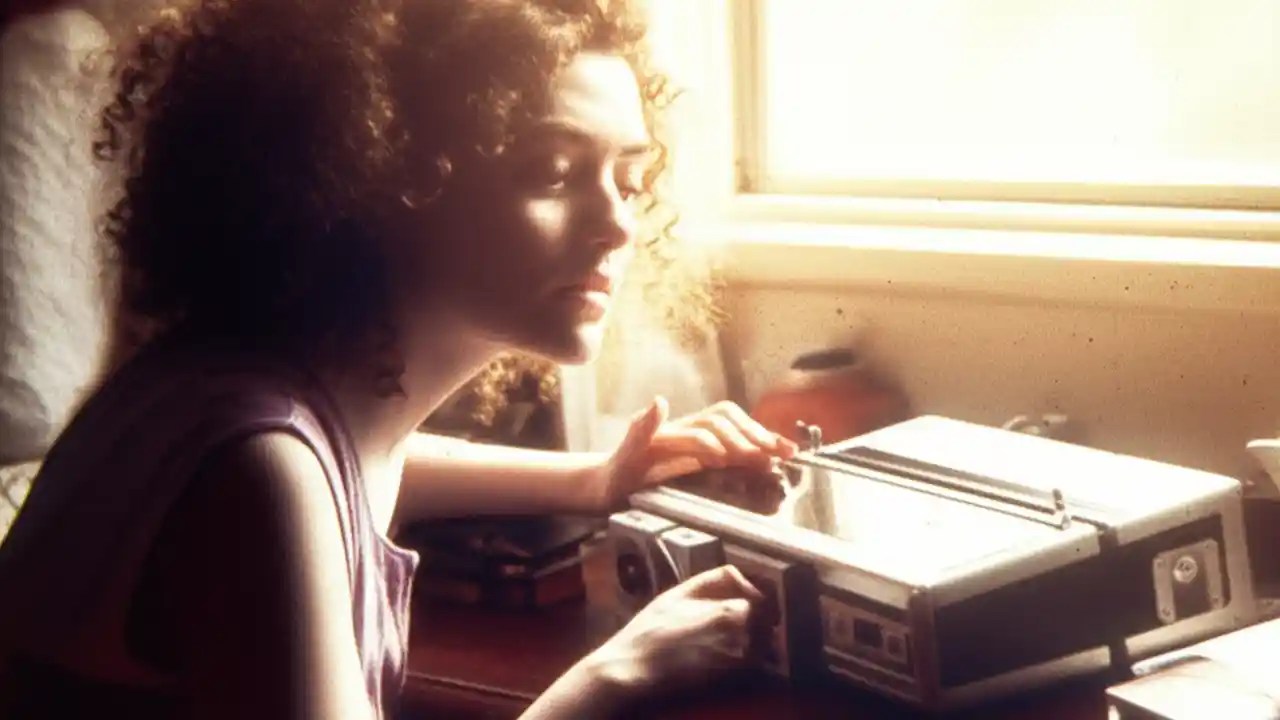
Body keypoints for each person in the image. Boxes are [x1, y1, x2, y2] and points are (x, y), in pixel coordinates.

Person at [0, 0, 798, 718]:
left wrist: (594, 480)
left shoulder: (239, 394)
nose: (619, 225)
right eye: (551, 173)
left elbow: (373, 463)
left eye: (630, 178)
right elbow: (298, 485)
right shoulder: (258, 469)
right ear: (379, 175)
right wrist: (615, 676)